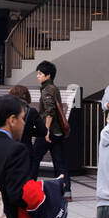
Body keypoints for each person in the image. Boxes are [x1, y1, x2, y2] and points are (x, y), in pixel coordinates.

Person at [36, 61, 70, 190]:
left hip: (48, 132)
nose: (38, 76)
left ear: (48, 75)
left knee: (34, 159)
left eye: (40, 74)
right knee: (60, 163)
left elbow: (50, 111)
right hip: (58, 132)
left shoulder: (47, 89)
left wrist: (46, 130)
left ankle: (29, 187)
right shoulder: (53, 88)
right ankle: (66, 191)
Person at [9, 82, 48, 175]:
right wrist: (29, 130)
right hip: (26, 149)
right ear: (26, 96)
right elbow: (43, 131)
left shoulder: (6, 109)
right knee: (26, 178)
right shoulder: (31, 111)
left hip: (8, 148)